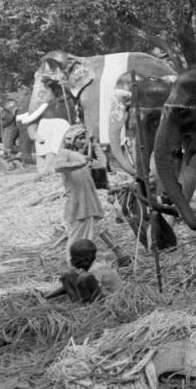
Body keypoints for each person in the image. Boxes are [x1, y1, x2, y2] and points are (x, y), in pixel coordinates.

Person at [54, 124, 130, 266]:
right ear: (70, 139)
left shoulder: (82, 157)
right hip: (77, 204)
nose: (83, 142)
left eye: (84, 139)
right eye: (80, 138)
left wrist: (95, 146)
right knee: (78, 239)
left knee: (93, 233)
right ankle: (74, 266)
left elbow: (101, 164)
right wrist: (79, 164)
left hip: (89, 202)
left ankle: (85, 265)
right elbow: (58, 167)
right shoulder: (64, 153)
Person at [46, 239, 121, 303]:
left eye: (75, 259)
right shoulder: (87, 267)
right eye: (72, 257)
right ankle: (76, 301)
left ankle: (84, 304)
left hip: (112, 298)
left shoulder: (96, 269)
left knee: (83, 278)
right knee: (67, 276)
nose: (72, 261)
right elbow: (66, 286)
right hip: (102, 293)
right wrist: (48, 296)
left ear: (86, 259)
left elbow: (97, 291)